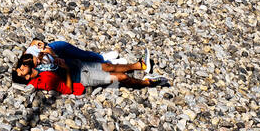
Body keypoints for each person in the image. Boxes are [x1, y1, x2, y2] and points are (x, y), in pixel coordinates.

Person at [12, 41, 164, 95]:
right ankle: (146, 83)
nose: (21, 67)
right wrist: (65, 69)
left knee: (108, 66)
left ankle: (139, 65)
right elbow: (68, 89)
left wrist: (48, 52)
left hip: (77, 65)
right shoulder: (42, 81)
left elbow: (32, 47)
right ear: (26, 77)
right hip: (82, 77)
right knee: (121, 78)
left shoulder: (34, 64)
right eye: (20, 70)